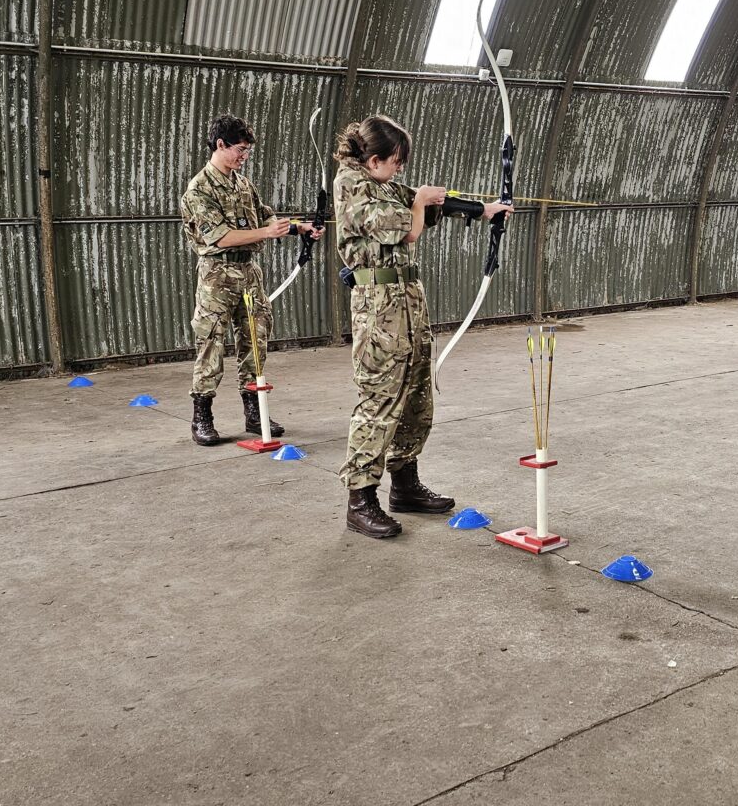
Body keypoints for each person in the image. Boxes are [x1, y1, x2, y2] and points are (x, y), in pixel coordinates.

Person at [333, 114, 513, 539]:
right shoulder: (352, 185)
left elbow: (429, 203)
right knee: (379, 400)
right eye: (395, 161)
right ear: (373, 159)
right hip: (378, 306)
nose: (400, 169)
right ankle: (360, 500)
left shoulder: (381, 182)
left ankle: (406, 485)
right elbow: (407, 228)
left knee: (415, 395)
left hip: (408, 303)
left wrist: (483, 211)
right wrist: (418, 204)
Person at [179, 114, 322, 446]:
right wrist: (267, 232)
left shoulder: (242, 183)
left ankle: (255, 413)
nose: (244, 156)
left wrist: (299, 227)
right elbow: (221, 237)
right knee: (211, 342)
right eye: (240, 150)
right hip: (217, 275)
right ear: (220, 145)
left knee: (255, 342)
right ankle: (202, 416)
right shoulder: (199, 189)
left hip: (248, 274)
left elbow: (265, 214)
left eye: (246, 150)